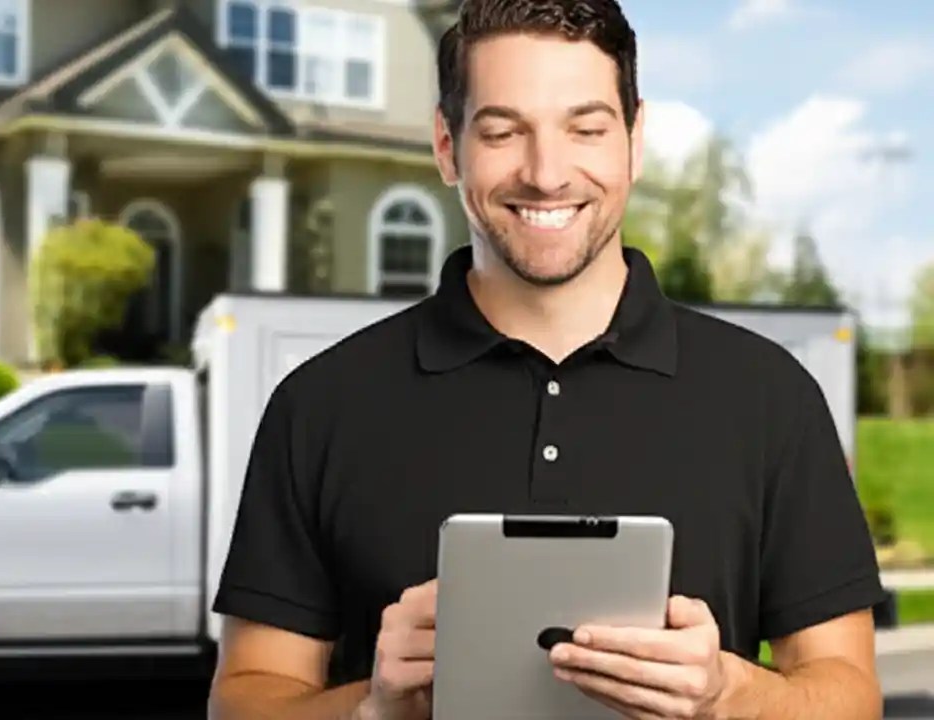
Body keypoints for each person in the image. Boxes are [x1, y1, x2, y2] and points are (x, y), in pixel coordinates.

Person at [206, 0, 887, 718]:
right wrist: (377, 707)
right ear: (446, 145)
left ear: (634, 138)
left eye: (586, 129)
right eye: (503, 131)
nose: (546, 173)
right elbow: (245, 699)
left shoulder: (770, 398)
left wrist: (728, 694)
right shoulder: (320, 404)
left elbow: (851, 696)